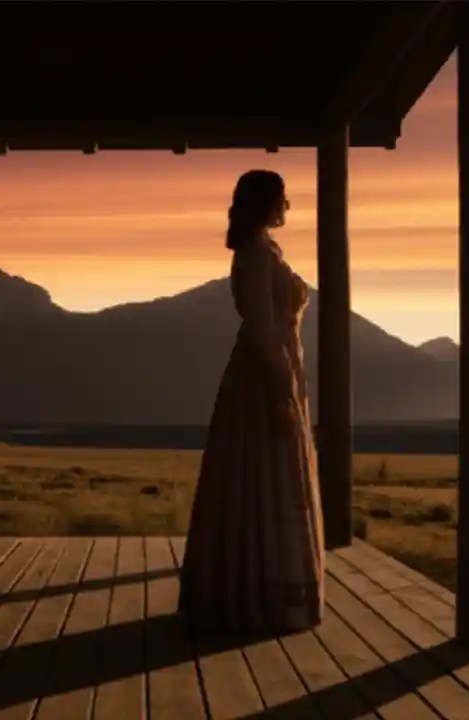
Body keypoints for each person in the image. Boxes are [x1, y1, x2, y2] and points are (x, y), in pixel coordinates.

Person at [178, 169, 325, 633]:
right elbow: (262, 328)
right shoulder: (257, 254)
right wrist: (282, 387)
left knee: (261, 480)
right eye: (283, 198)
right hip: (263, 378)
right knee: (265, 478)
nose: (289, 206)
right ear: (266, 202)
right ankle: (258, 592)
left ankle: (253, 585)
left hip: (270, 371)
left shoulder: (261, 250)